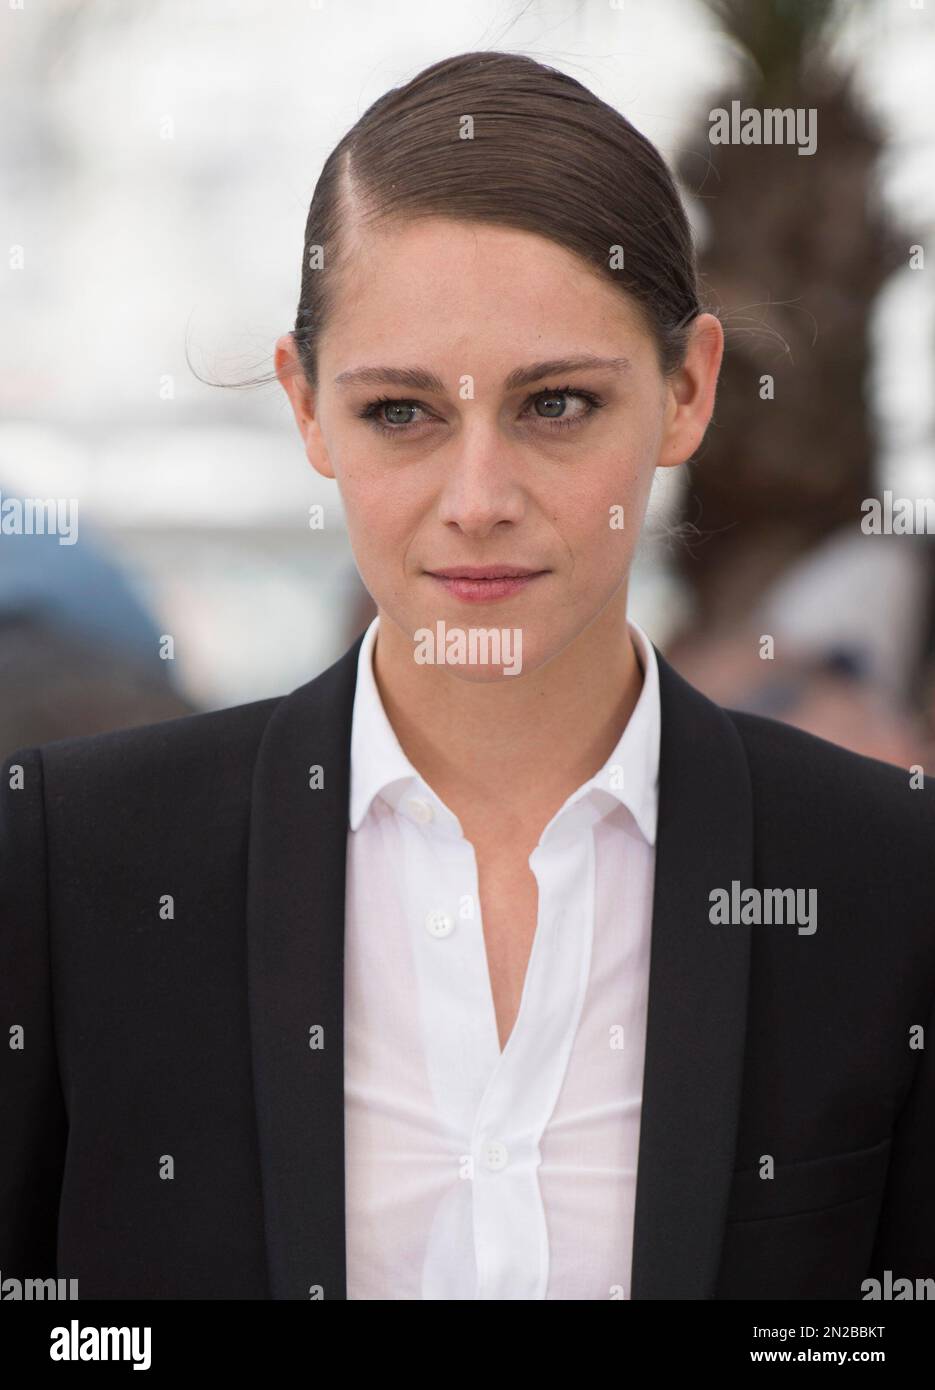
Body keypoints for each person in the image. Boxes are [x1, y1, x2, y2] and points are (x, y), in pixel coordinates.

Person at [1, 50, 933, 1302]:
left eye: (553, 404)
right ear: (306, 406)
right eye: (401, 412)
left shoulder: (886, 879)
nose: (478, 501)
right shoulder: (69, 861)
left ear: (685, 391)